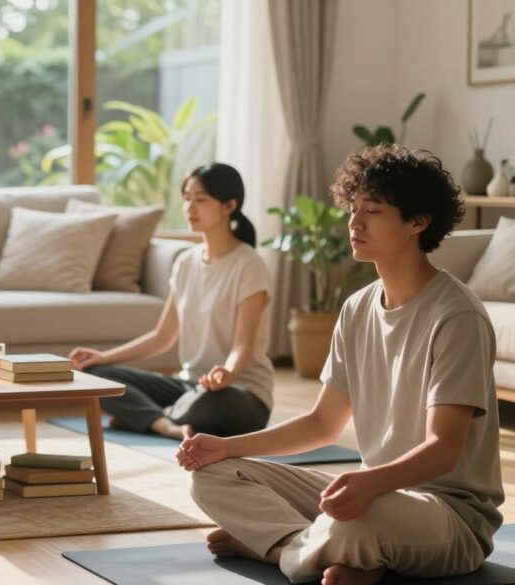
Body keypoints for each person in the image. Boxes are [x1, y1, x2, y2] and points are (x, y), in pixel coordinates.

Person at [179, 145, 503, 585]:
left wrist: (368, 486)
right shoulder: (356, 308)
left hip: (447, 515)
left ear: (418, 221)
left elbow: (443, 449)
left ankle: (279, 550)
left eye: (372, 210)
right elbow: (322, 424)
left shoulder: (456, 315)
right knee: (211, 477)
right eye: (353, 208)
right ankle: (325, 553)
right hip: (373, 493)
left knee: (360, 517)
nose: (354, 222)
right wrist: (227, 447)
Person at [69, 162, 274, 439]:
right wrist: (103, 357)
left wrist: (225, 373)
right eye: (187, 199)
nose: (190, 207)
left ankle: (147, 416)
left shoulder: (250, 265)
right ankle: (165, 424)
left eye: (201, 200)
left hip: (238, 393)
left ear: (229, 205)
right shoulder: (186, 262)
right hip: (188, 386)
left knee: (211, 404)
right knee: (93, 375)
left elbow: (243, 346)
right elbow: (162, 337)